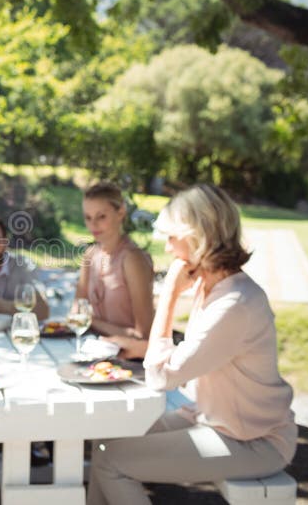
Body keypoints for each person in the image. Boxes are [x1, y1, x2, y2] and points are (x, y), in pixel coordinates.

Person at [87, 184, 297, 505]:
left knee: (111, 462)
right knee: (104, 441)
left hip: (253, 441)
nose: (168, 248)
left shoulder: (235, 303)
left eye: (172, 238)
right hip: (207, 417)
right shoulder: (214, 288)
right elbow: (184, 359)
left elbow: (161, 378)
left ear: (199, 236)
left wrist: (169, 293)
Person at [74, 183, 154, 359]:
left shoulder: (132, 259)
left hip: (131, 361)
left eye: (101, 216)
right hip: (95, 354)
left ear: (121, 212)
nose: (93, 224)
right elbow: (76, 312)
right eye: (87, 217)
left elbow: (144, 335)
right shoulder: (90, 256)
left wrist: (92, 321)